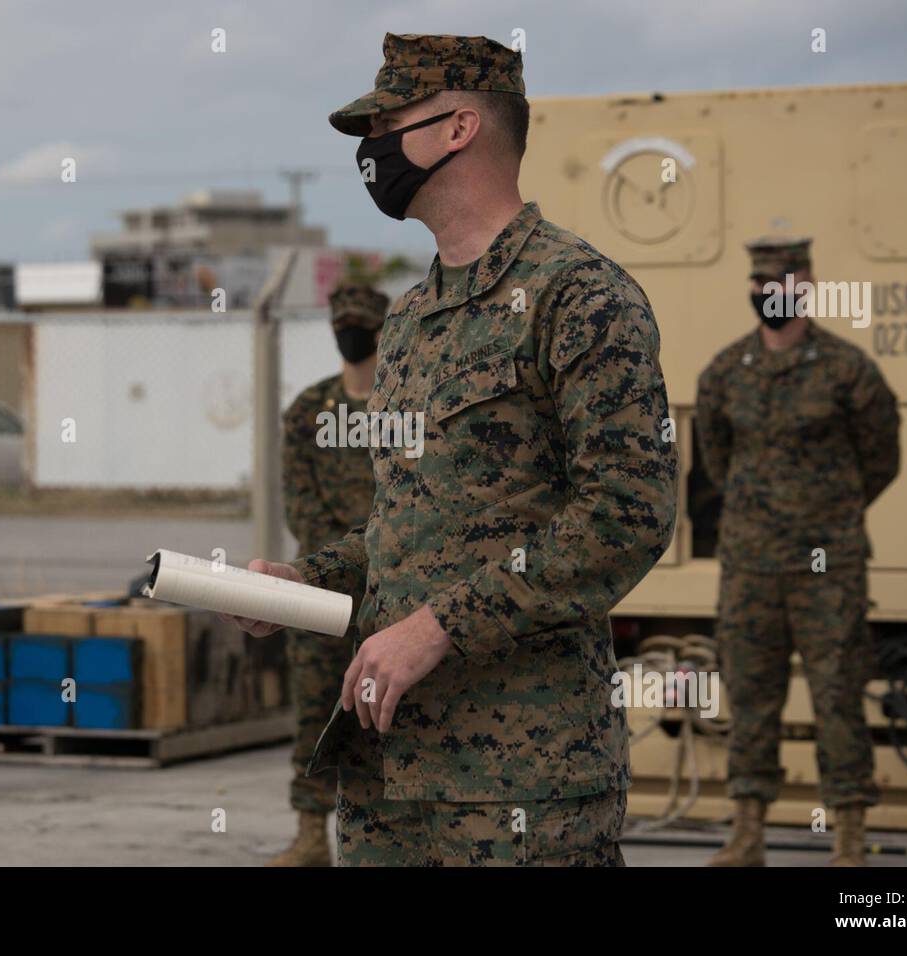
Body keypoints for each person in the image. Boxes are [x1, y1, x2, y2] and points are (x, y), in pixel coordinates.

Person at [226, 33, 676, 866]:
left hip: (519, 784)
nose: (372, 149)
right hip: (387, 770)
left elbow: (627, 514)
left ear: (460, 126)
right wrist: (305, 584)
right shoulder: (408, 319)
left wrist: (440, 627)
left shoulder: (578, 296)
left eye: (389, 122)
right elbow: (407, 527)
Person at [695, 237, 900, 866]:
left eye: (782, 281)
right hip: (750, 565)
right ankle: (748, 831)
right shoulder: (726, 371)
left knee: (838, 693)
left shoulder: (848, 370)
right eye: (760, 283)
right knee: (751, 696)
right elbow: (717, 460)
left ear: (807, 286)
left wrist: (826, 515)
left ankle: (848, 837)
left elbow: (881, 460)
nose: (769, 293)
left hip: (827, 565)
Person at [268, 279, 385, 866]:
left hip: (391, 589)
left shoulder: (402, 404)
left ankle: (383, 834)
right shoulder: (309, 411)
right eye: (343, 319)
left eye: (361, 318)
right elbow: (300, 503)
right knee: (316, 704)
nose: (351, 328)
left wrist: (383, 561)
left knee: (384, 711)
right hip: (323, 588)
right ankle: (311, 831)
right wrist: (329, 569)